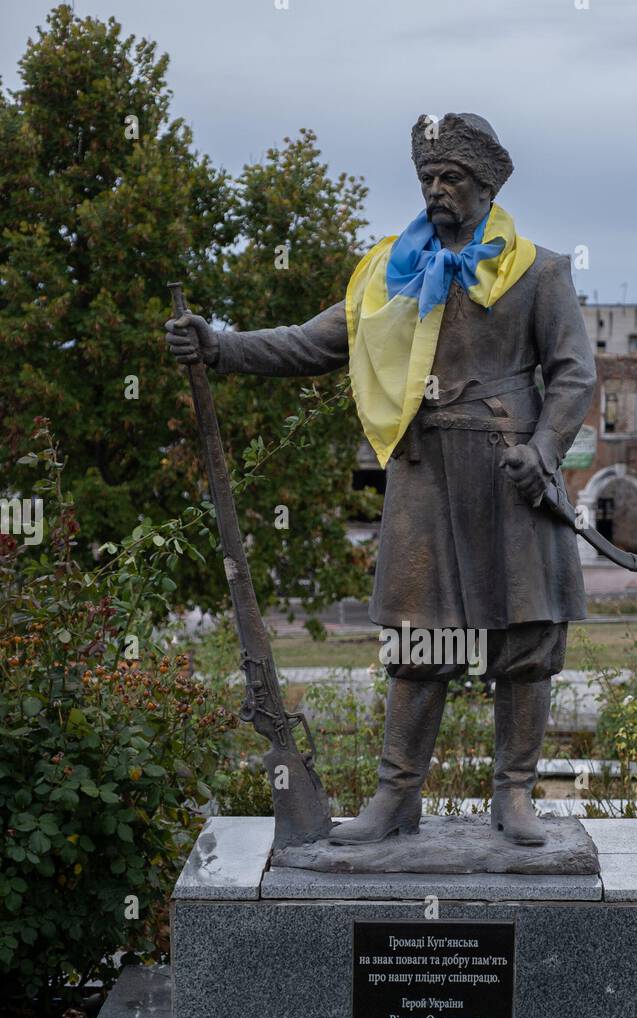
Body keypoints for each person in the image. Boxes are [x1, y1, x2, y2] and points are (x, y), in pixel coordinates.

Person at [166, 112, 596, 846]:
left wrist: (546, 451)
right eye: (428, 176)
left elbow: (573, 374)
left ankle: (514, 796)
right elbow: (312, 343)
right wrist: (221, 347)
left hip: (509, 478)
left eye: (451, 177)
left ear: (485, 185)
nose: (436, 188)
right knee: (418, 642)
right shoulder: (388, 275)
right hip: (424, 477)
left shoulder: (540, 271)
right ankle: (396, 798)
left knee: (526, 638)